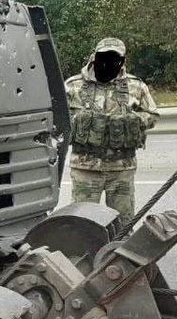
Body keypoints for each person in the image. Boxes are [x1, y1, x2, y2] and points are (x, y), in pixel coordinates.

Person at [65, 37, 159, 221]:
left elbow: (153, 115)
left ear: (122, 61)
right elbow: (58, 118)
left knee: (123, 223)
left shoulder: (135, 86)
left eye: (114, 58)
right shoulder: (73, 86)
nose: (108, 61)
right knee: (81, 222)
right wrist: (79, 121)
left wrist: (130, 122)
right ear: (94, 57)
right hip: (85, 168)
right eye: (103, 56)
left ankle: (117, 250)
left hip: (121, 169)